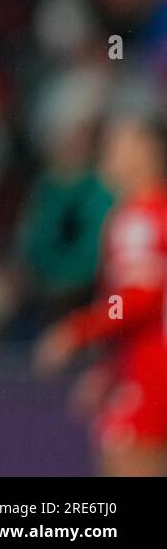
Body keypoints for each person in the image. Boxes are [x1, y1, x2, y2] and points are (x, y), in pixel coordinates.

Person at [34, 113, 167, 476]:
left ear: (148, 151)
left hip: (154, 375)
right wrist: (108, 369)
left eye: (118, 144)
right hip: (141, 367)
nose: (107, 155)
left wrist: (75, 332)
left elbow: (139, 298)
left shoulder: (142, 217)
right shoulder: (142, 213)